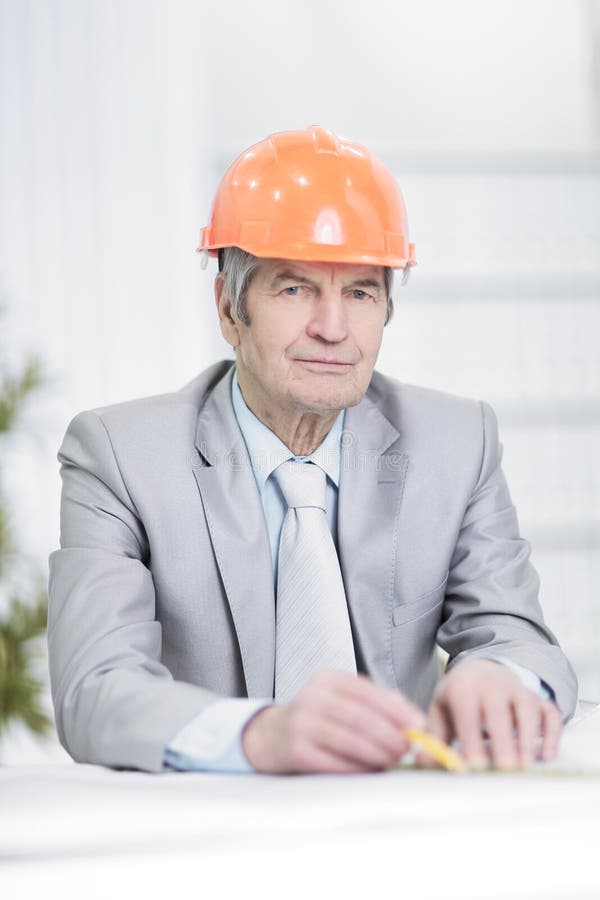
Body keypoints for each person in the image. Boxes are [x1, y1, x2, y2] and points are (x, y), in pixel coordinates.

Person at [48, 125, 577, 775]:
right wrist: (261, 734)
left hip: (407, 813)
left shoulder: (458, 441)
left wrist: (501, 676)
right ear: (229, 308)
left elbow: (518, 635)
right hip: (213, 821)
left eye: (360, 292)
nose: (332, 329)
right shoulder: (120, 458)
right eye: (294, 288)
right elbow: (94, 692)